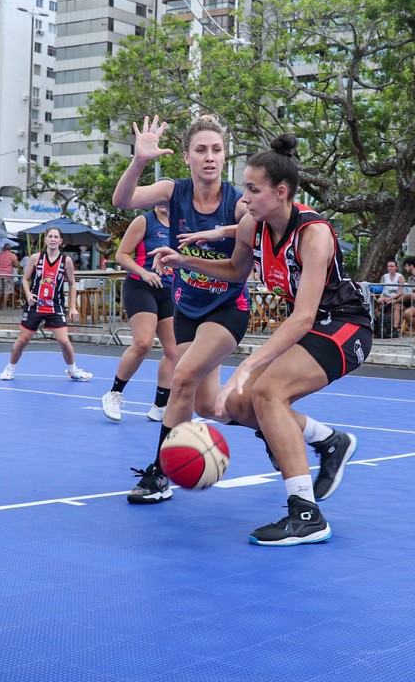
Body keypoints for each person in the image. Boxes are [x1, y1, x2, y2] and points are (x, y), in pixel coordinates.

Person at [112, 116, 348, 506]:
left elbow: (245, 255)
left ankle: (160, 472)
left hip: (227, 308)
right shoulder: (173, 191)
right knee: (207, 405)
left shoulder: (243, 202)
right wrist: (138, 161)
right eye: (201, 150)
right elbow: (123, 201)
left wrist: (194, 253)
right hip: (187, 307)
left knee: (181, 375)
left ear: (225, 156)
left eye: (217, 150)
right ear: (186, 156)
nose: (209, 158)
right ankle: (310, 435)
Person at [152, 133, 369, 546]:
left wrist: (249, 364)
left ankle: (306, 513)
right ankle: (328, 439)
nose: (245, 197)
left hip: (344, 324)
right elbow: (236, 270)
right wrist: (185, 259)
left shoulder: (314, 234)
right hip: (311, 325)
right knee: (233, 404)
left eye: (253, 189)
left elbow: (305, 316)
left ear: (281, 192)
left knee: (266, 392)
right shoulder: (254, 223)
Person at [101, 204, 180, 423]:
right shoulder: (144, 221)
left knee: (174, 351)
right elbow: (121, 255)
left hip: (168, 290)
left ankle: (160, 406)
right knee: (143, 343)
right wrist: (144, 273)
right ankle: (114, 393)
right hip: (141, 287)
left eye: (168, 198)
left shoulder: (182, 223)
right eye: (160, 198)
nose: (164, 203)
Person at [0, 227, 93, 383]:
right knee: (22, 341)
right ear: (46, 239)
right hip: (35, 305)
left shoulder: (66, 261)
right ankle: (10, 368)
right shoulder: (36, 258)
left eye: (56, 237)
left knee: (64, 341)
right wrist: (28, 295)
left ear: (61, 241)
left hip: (55, 306)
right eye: (50, 236)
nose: (53, 239)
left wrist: (73, 307)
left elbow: (72, 284)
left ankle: (74, 370)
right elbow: (25, 279)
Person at [373, 259, 405, 336]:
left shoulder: (400, 277)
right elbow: (381, 290)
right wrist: (382, 298)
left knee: (396, 307)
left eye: (392, 266)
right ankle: (378, 328)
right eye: (389, 266)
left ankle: (395, 329)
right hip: (385, 297)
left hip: (397, 299)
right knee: (377, 305)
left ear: (396, 267)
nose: (390, 268)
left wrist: (391, 299)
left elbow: (401, 292)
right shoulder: (384, 277)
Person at [0, 243, 19, 309]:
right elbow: (16, 265)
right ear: (10, 249)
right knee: (6, 291)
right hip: (8, 275)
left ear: (4, 248)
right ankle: (4, 306)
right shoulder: (12, 255)